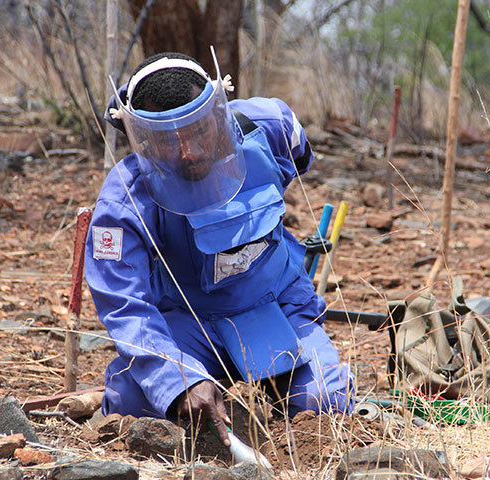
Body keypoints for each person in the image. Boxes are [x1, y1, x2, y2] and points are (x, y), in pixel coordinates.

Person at [84, 49, 354, 446]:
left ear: (217, 112)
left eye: (198, 130)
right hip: (190, 323)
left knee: (324, 403)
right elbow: (124, 305)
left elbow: (299, 162)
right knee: (133, 405)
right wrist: (179, 380)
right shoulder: (124, 202)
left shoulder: (271, 129)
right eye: (168, 140)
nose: (189, 152)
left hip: (276, 305)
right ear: (143, 140)